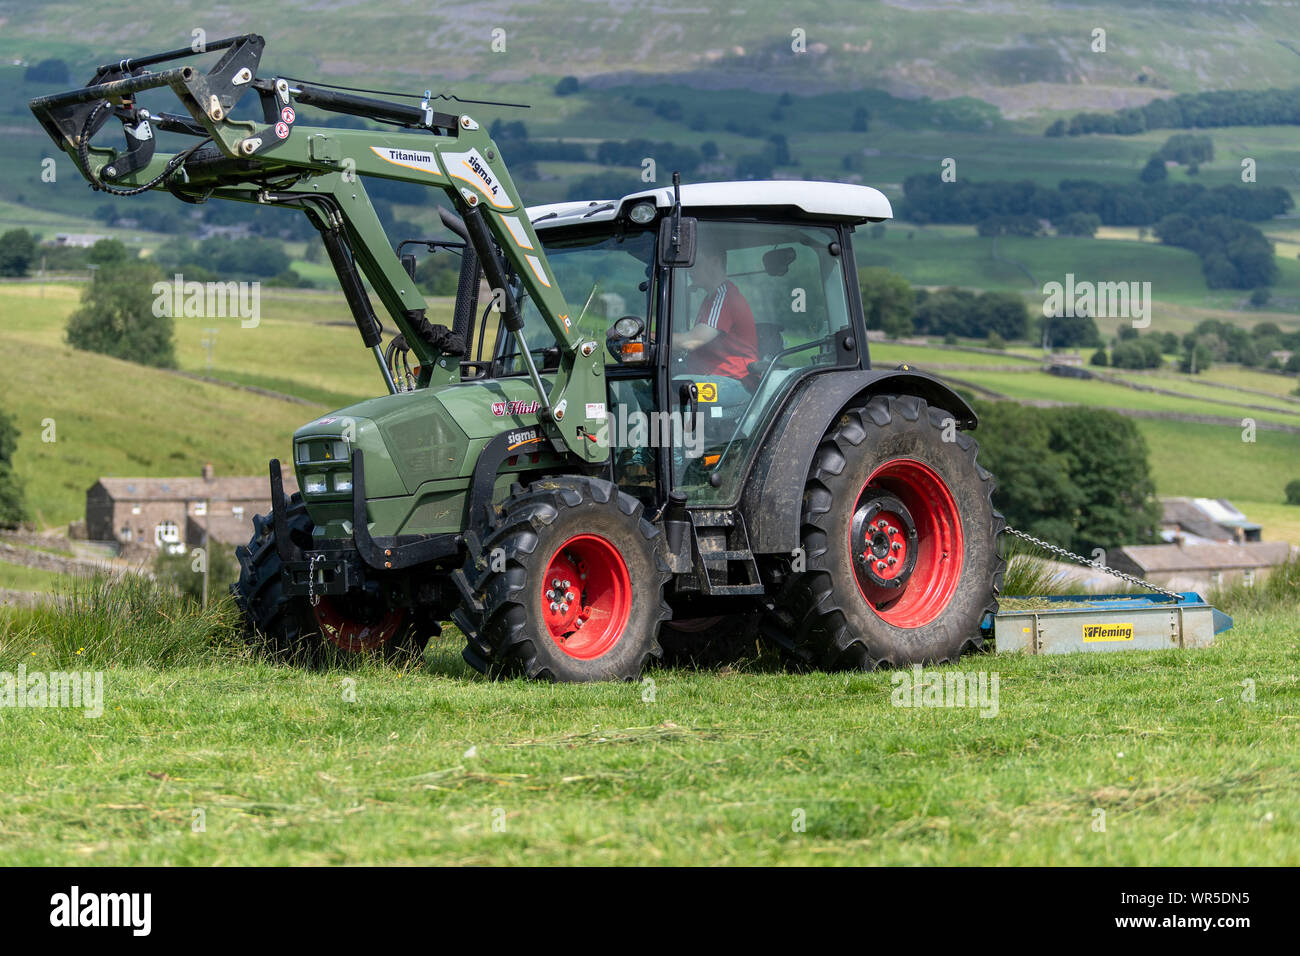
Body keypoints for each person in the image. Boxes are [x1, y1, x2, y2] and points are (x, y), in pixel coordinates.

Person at [674, 240, 758, 403]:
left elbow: (692, 341)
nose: (690, 270)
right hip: (719, 381)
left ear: (714, 262)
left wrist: (651, 338)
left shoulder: (724, 295)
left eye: (695, 264)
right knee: (659, 386)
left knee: (674, 389)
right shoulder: (711, 298)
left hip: (734, 384)